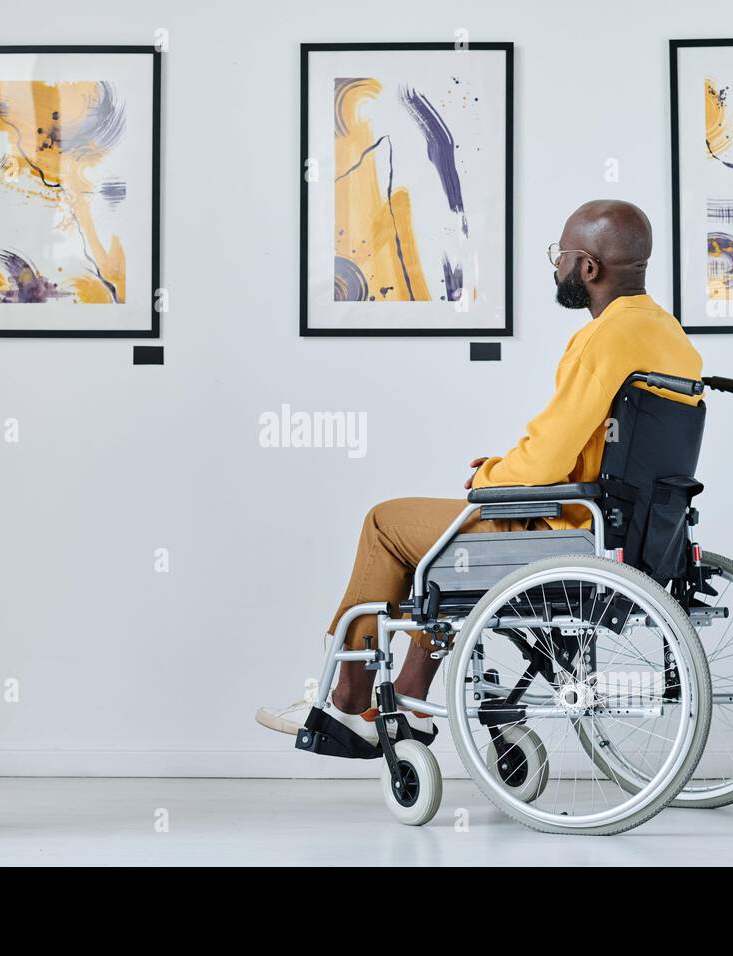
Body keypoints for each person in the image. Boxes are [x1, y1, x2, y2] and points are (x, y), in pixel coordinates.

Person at [257, 199, 703, 743]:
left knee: (386, 523)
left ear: (588, 268)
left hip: (565, 528)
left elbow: (545, 459)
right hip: (634, 532)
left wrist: (490, 476)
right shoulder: (670, 336)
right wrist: (507, 468)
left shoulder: (603, 337)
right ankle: (413, 700)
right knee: (446, 552)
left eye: (559, 256)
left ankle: (347, 703)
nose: (556, 267)